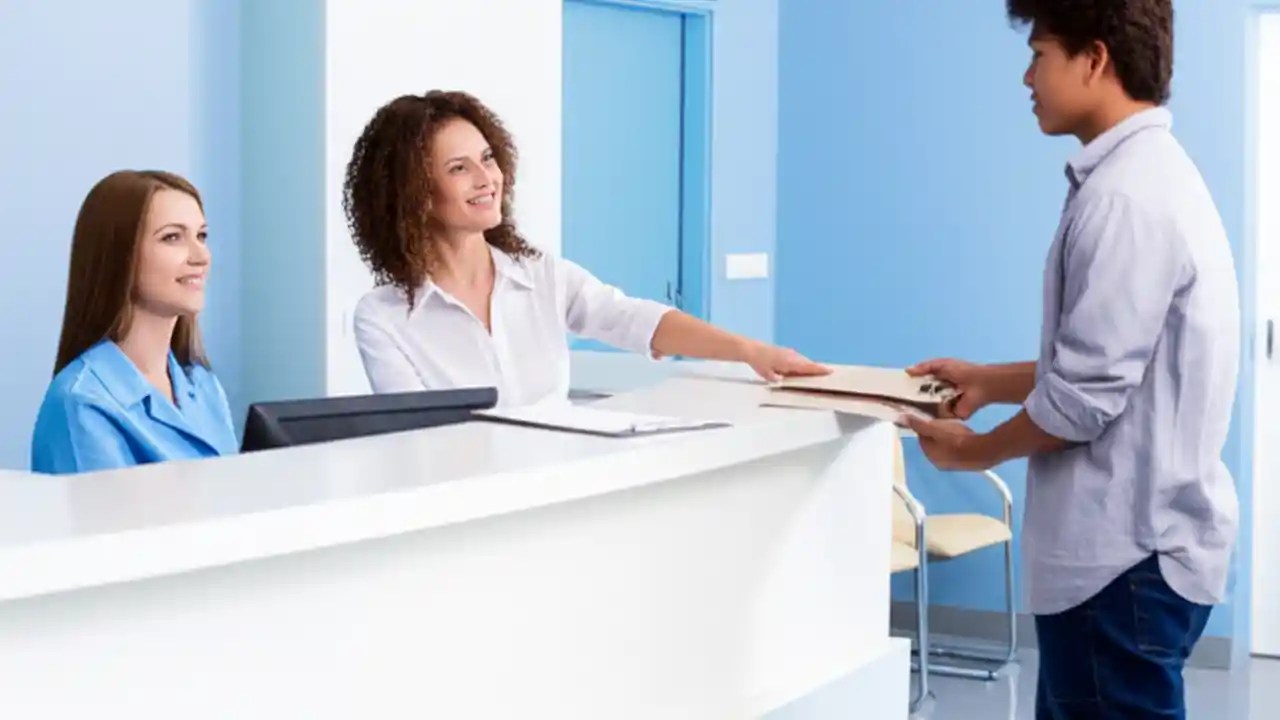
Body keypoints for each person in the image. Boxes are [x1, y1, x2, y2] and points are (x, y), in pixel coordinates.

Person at [901, 1, 1240, 718]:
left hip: (1122, 566)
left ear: (1095, 59)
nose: (1027, 77)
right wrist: (990, 382)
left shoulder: (1126, 200)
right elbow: (1122, 366)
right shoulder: (1147, 178)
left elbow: (1083, 402)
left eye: (1041, 54)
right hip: (1132, 565)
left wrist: (973, 453)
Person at [344, 90, 828, 405]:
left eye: (487, 159)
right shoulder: (383, 317)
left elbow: (634, 319)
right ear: (412, 194)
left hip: (565, 493)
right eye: (458, 168)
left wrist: (749, 350)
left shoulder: (541, 276)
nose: (486, 178)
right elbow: (412, 440)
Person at [31, 171, 237, 474]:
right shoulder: (82, 403)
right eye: (172, 237)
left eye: (201, 235)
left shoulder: (204, 386)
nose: (201, 255)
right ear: (119, 255)